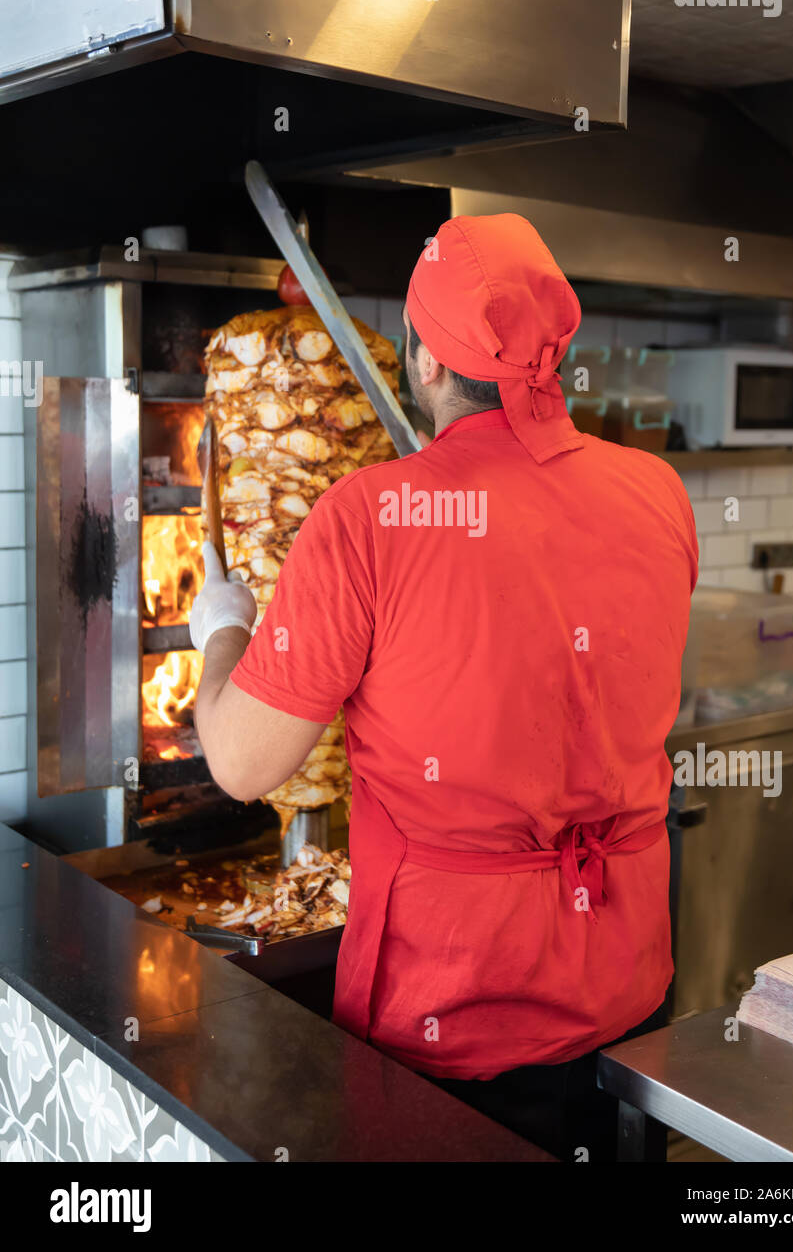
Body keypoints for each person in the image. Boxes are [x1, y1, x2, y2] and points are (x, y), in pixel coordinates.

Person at [190, 212, 698, 1162]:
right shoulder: (658, 492)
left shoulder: (368, 518)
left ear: (421, 361)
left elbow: (242, 763)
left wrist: (223, 628)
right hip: (629, 991)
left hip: (459, 1016)